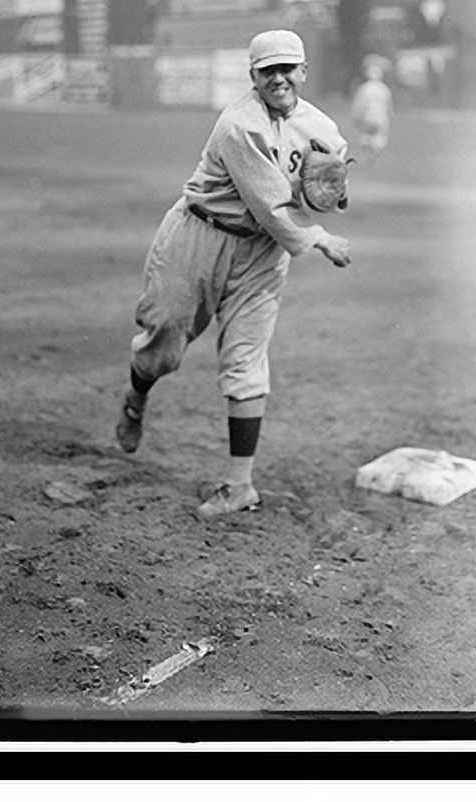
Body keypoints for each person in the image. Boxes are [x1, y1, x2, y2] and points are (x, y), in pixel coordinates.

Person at [115, 29, 352, 519]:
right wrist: (322, 238)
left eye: (289, 68)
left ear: (304, 71)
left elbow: (326, 190)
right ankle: (136, 400)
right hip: (199, 239)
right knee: (162, 345)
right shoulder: (240, 125)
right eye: (269, 71)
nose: (280, 78)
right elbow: (269, 205)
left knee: (246, 363)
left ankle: (239, 484)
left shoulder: (321, 126)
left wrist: (331, 193)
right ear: (253, 77)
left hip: (263, 256)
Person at [350, 54, 394, 159]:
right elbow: (389, 106)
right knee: (380, 136)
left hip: (367, 117)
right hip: (381, 117)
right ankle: (374, 152)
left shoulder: (364, 89)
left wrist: (356, 117)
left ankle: (367, 152)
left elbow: (359, 105)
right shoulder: (385, 89)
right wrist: (391, 116)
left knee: (366, 135)